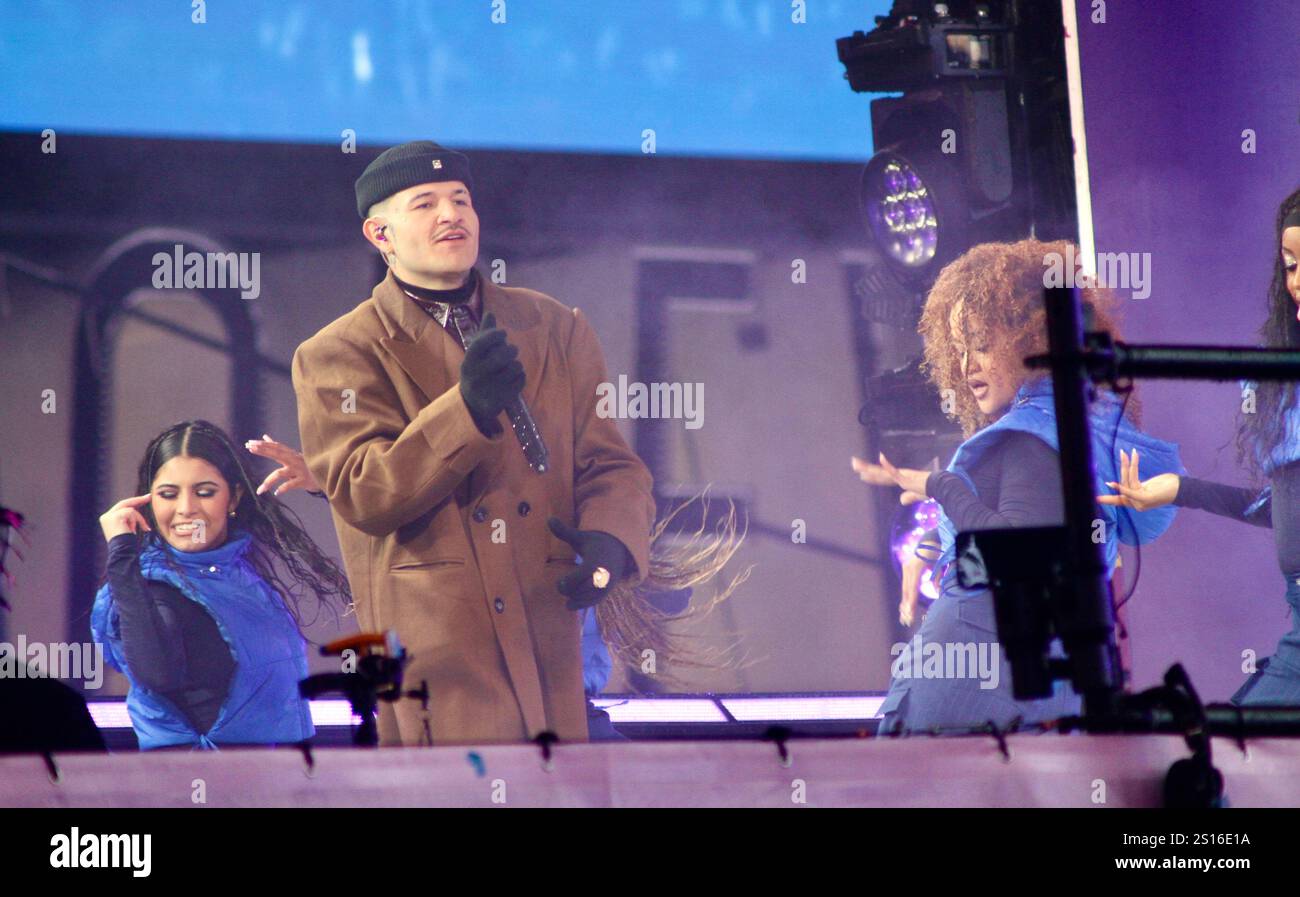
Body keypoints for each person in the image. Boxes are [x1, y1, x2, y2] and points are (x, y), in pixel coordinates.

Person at [292, 140, 657, 746]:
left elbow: (609, 462)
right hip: (441, 655)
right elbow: (366, 493)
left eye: (461, 199)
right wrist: (465, 410)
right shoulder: (339, 352)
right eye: (425, 203)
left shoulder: (553, 326)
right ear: (379, 233)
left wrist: (611, 541)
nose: (450, 214)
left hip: (550, 632)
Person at [854, 238, 1183, 734]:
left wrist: (941, 485)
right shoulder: (1065, 429)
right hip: (1023, 667)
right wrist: (929, 544)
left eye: (981, 345)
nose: (967, 369)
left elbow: (1009, 551)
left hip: (983, 667)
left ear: (1029, 339)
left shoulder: (1030, 439)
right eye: (960, 352)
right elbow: (1023, 537)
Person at [1102, 187, 1300, 705]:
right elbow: (1282, 513)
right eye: (1290, 265)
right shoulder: (1282, 388)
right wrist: (1179, 490)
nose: (1297, 282)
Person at [91, 420, 350, 749]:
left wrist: (324, 483)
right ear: (149, 503)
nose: (186, 509)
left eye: (204, 492)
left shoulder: (238, 575)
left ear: (233, 498)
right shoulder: (154, 588)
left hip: (266, 785)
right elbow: (156, 675)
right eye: (168, 494)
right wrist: (121, 554)